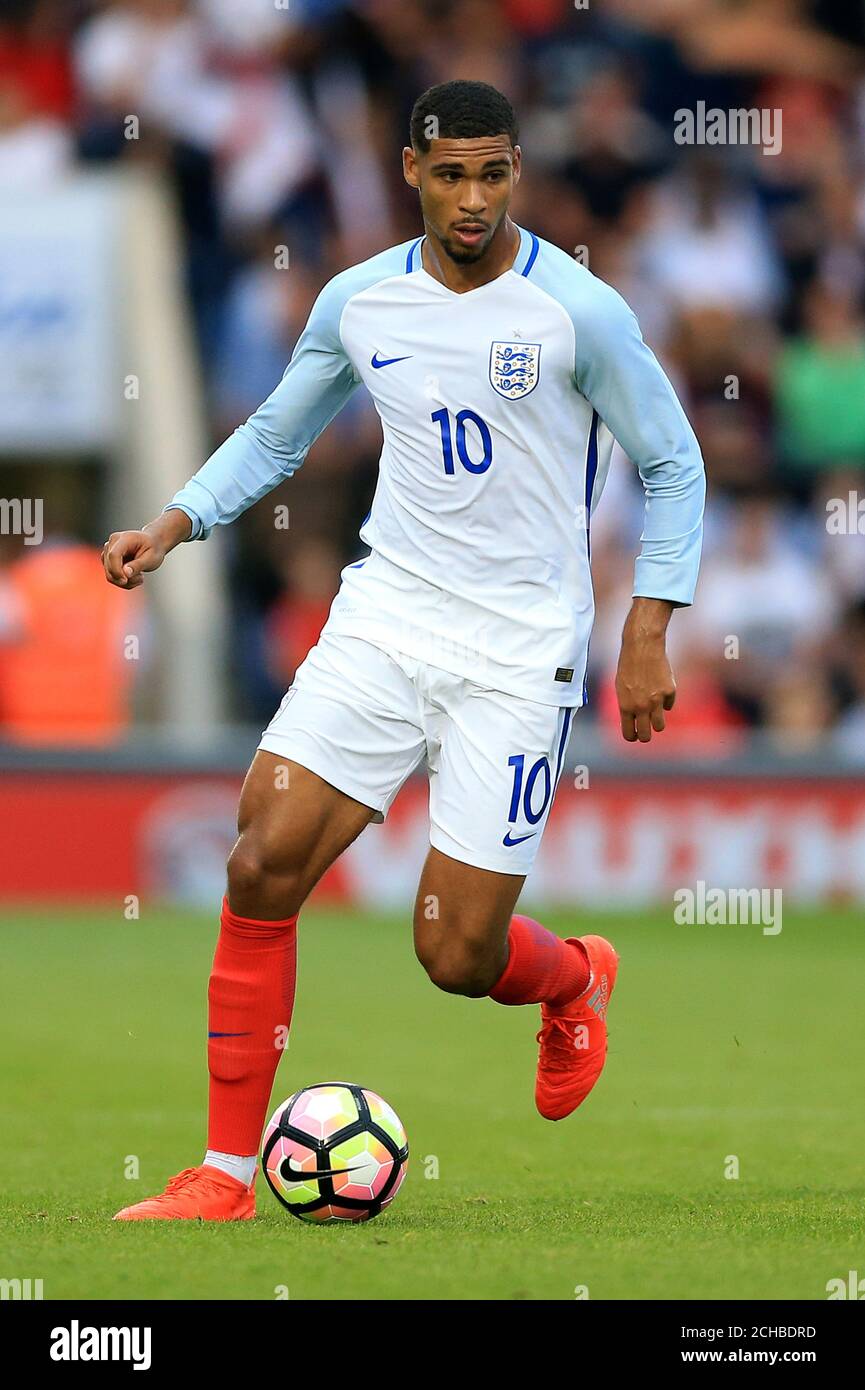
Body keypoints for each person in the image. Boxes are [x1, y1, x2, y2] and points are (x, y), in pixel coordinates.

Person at [103, 80, 705, 1221]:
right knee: (258, 861)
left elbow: (673, 464)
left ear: (515, 170)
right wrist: (174, 522)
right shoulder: (360, 301)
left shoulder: (578, 312)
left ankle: (571, 976)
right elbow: (278, 431)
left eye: (493, 173)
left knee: (454, 953)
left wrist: (645, 624)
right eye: (450, 174)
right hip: (387, 618)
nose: (472, 198)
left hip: (517, 650)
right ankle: (225, 1176)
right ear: (410, 171)